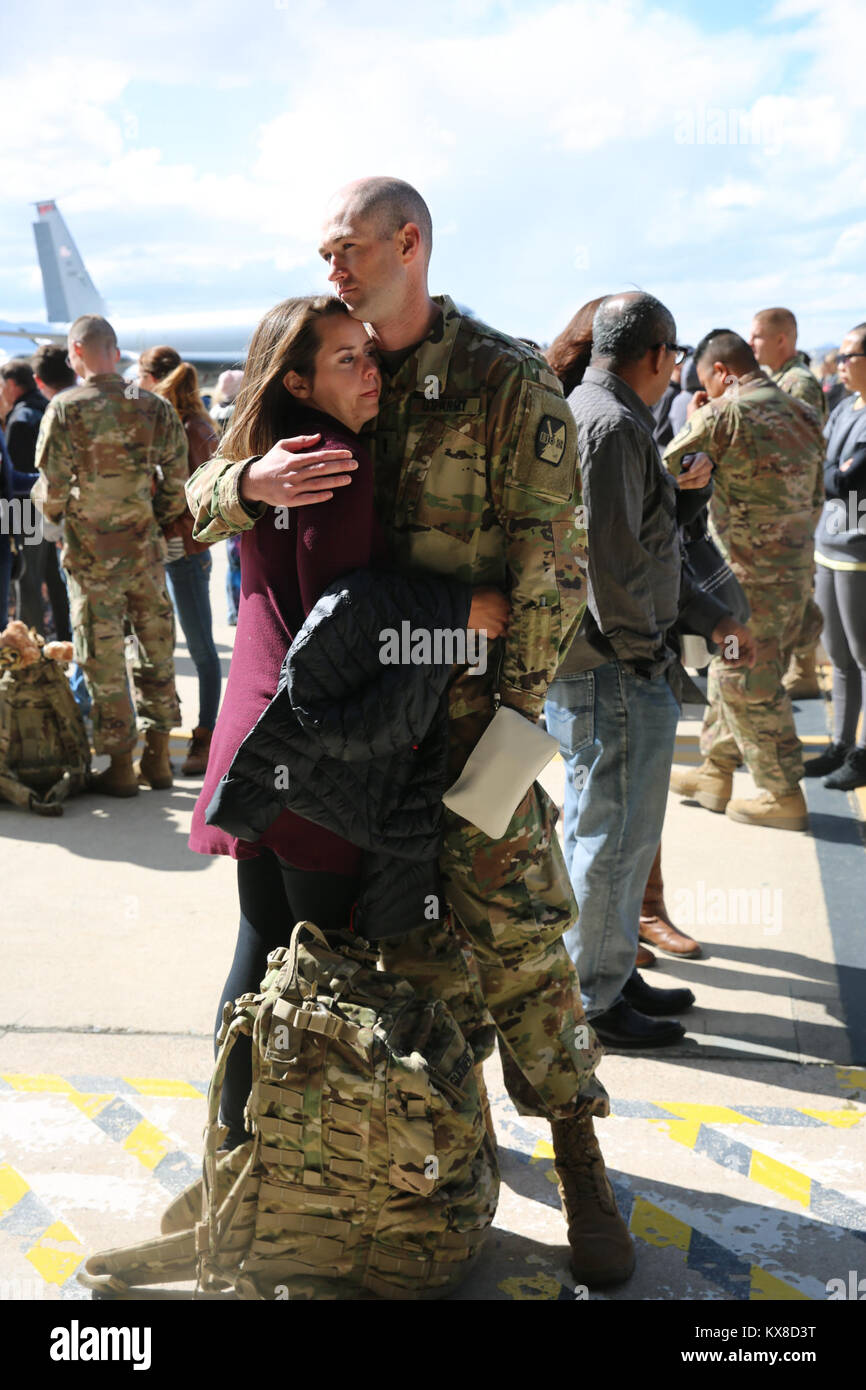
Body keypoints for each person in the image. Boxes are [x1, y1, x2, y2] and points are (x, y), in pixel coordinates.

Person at [187, 176, 634, 1288]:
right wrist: (247, 477)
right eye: (325, 251)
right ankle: (429, 1158)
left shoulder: (499, 378)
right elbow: (197, 492)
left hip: (475, 721)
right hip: (364, 740)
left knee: (522, 947)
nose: (329, 263)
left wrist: (517, 720)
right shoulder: (329, 364)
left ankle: (579, 1160)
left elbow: (551, 564)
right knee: (409, 963)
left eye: (346, 246)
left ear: (408, 244)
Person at [545, 294, 753, 1048]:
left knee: (615, 836)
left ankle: (606, 968)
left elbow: (643, 543)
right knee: (611, 838)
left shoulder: (602, 414)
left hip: (609, 666)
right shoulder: (609, 423)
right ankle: (593, 1002)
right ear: (660, 356)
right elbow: (612, 566)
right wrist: (646, 657)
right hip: (613, 670)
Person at [666, 329, 825, 830]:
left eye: (707, 383)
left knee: (743, 678)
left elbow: (661, 470)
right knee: (734, 673)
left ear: (719, 373)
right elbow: (819, 496)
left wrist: (698, 421)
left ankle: (783, 794)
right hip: (796, 574)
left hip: (745, 581)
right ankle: (715, 772)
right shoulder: (804, 412)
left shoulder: (724, 414)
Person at [32, 315, 188, 796]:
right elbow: (179, 479)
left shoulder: (66, 407)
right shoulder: (150, 403)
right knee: (155, 649)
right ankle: (158, 760)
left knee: (101, 658)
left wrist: (61, 517)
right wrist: (154, 518)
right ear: (114, 352)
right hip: (144, 550)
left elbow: (52, 489)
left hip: (91, 557)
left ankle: (121, 767)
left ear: (76, 352)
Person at [138, 347, 221, 775]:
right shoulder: (180, 423)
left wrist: (176, 531)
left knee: (201, 649)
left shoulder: (190, 427)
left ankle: (206, 737)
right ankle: (168, 734)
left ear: (156, 379)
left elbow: (210, 494)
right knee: (166, 648)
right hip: (171, 552)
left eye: (142, 377)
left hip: (184, 553)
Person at [749, 307, 826, 699]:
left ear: (783, 339)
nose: (751, 343)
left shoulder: (799, 384)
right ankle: (801, 670)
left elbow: (798, 449)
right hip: (785, 506)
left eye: (758, 336)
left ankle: (803, 671)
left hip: (795, 507)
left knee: (798, 592)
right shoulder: (779, 380)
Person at [803, 322, 866, 791]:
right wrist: (830, 469)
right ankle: (843, 744)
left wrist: (828, 469)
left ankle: (863, 755)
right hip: (829, 544)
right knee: (839, 657)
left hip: (859, 550)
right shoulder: (845, 408)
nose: (841, 364)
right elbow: (820, 467)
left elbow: (845, 482)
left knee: (864, 659)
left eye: (849, 357)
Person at [30, 345, 91, 716]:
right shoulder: (119, 403)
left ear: (39, 381)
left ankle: (81, 702)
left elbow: (50, 483)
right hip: (133, 540)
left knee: (83, 623)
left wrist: (50, 523)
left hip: (77, 538)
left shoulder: (61, 411)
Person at [0, 358, 71, 643]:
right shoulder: (44, 408)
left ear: (12, 385)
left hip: (22, 513)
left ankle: (33, 643)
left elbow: (10, 482)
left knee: (28, 582)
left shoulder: (19, 418)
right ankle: (60, 637)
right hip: (42, 509)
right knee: (51, 578)